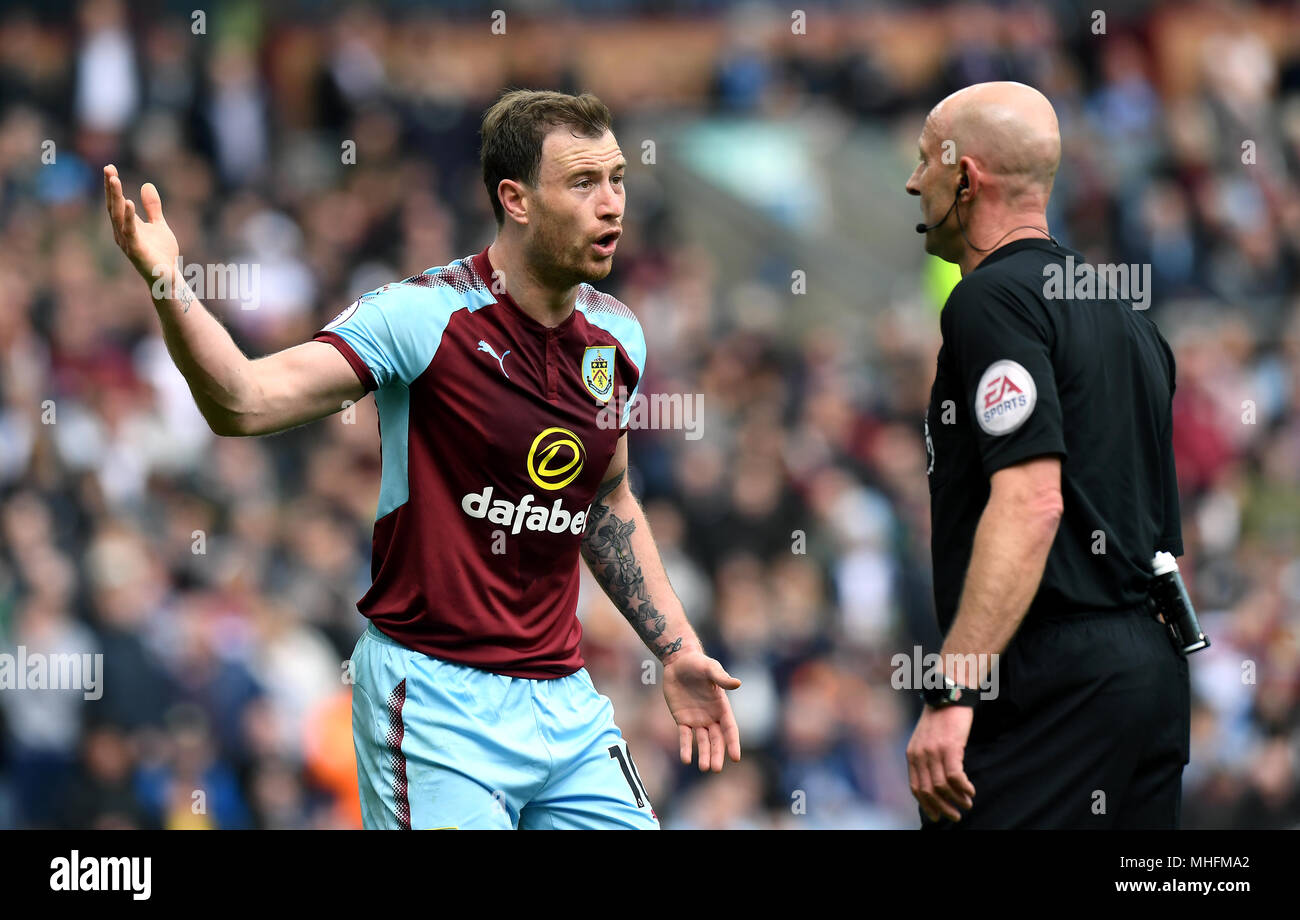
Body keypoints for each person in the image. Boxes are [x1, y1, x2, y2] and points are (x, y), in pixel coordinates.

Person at [104, 88, 742, 830]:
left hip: (564, 699)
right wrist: (165, 280)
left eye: (618, 179)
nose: (613, 205)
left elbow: (604, 499)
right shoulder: (420, 317)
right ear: (517, 199)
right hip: (436, 702)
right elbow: (242, 401)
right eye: (583, 183)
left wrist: (676, 648)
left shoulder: (617, 338)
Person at [902, 81, 1189, 828]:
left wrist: (954, 690)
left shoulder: (989, 302)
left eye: (926, 159)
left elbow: (1032, 500)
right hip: (1147, 673)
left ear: (966, 178)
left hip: (1050, 687)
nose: (912, 181)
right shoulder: (1129, 317)